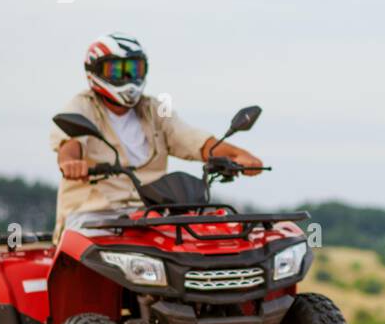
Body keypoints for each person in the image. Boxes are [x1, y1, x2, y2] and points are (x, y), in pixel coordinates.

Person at [50, 33, 262, 239]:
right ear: (94, 71)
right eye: (117, 70)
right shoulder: (82, 107)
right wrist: (71, 163)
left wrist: (239, 156)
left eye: (134, 69)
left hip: (151, 214)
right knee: (93, 253)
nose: (127, 78)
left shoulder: (154, 110)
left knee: (204, 236)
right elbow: (70, 142)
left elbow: (191, 139)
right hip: (94, 216)